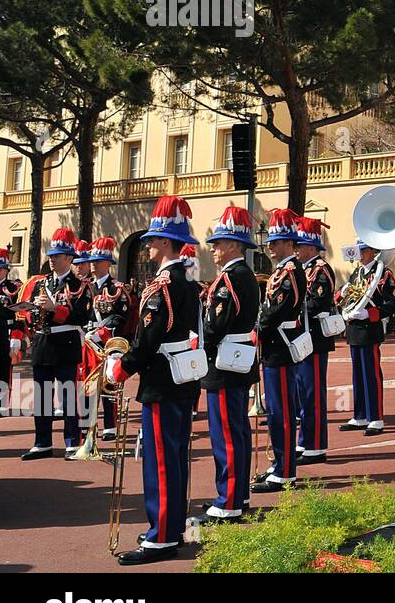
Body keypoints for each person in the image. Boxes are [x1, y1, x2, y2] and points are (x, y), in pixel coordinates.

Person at [106, 196, 202, 565]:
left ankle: (160, 536)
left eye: (152, 239)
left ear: (165, 243)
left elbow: (149, 338)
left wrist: (122, 366)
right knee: (175, 456)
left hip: (162, 378)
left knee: (161, 459)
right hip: (180, 376)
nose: (147, 245)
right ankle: (170, 526)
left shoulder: (163, 284)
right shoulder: (186, 280)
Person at [199, 206, 260, 521]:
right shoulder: (240, 275)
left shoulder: (231, 279)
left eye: (218, 243)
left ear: (234, 245)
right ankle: (239, 494)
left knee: (226, 434)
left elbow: (214, 326)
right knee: (236, 431)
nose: (213, 248)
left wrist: (198, 342)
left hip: (224, 364)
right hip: (235, 360)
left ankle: (229, 500)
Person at [19, 227, 91, 460]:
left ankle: (72, 441)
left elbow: (82, 317)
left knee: (68, 394)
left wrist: (54, 309)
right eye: (50, 256)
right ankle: (42, 442)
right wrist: (30, 312)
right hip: (42, 341)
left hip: (65, 341)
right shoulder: (41, 284)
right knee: (41, 395)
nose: (52, 260)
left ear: (69, 258)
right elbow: (31, 312)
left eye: (57, 256)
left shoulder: (79, 285)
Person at [251, 209, 306, 494]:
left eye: (276, 241)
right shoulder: (281, 271)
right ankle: (280, 463)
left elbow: (276, 311)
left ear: (288, 243)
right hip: (275, 346)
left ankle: (285, 472)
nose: (270, 246)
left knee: (282, 411)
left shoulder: (290, 272)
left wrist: (256, 331)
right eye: (271, 241)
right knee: (274, 410)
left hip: (280, 346)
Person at [337, 241, 395, 436]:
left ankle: (376, 418)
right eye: (358, 251)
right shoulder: (357, 274)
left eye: (362, 251)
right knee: (357, 375)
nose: (359, 254)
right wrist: (341, 294)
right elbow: (347, 298)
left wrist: (371, 314)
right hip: (355, 329)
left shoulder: (383, 274)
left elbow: (394, 302)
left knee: (371, 375)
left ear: (372, 251)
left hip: (370, 329)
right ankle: (360, 415)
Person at [80, 236, 131, 442]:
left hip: (107, 343)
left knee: (108, 383)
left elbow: (121, 317)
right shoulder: (85, 287)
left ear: (108, 264)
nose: (93, 264)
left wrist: (102, 333)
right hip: (87, 341)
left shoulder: (116, 289)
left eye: (98, 260)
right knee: (87, 384)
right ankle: (89, 424)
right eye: (92, 260)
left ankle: (110, 425)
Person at [294, 216, 335, 464]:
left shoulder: (320, 269)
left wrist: (292, 307)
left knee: (313, 394)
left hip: (316, 340)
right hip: (303, 339)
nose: (296, 250)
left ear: (311, 246)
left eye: (299, 246)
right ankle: (304, 441)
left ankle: (316, 445)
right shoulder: (304, 270)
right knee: (302, 394)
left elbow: (317, 302)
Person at [0, 248, 20, 416]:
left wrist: (17, 335)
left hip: (6, 331)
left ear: (6, 270)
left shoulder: (14, 288)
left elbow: (20, 313)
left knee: (3, 367)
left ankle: (2, 401)